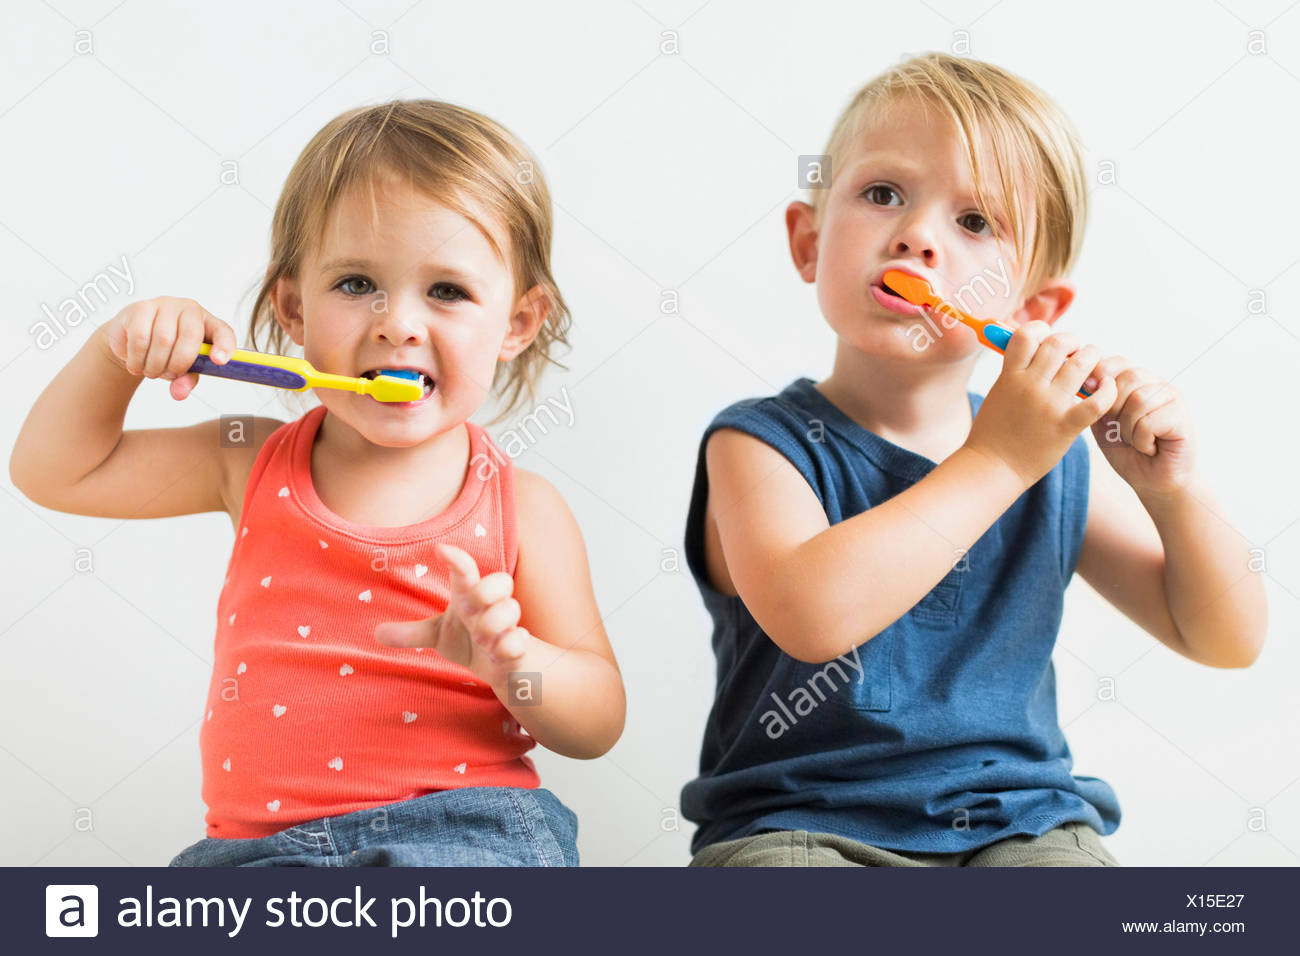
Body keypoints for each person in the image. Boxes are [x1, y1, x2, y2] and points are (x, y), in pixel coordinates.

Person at [680, 53, 1266, 867]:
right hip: (798, 824)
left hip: (1022, 825)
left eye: (976, 223)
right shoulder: (757, 445)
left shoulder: (1049, 460)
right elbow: (815, 619)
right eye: (883, 194)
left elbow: (1225, 638)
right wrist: (998, 461)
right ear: (808, 242)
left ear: (1032, 310)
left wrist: (1174, 492)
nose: (916, 235)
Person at [10, 99, 625, 867]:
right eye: (357, 281)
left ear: (518, 323)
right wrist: (115, 354)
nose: (397, 322)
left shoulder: (522, 508)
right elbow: (54, 471)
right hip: (256, 856)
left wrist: (515, 665)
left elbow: (597, 722)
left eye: (447, 291)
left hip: (464, 834)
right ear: (293, 307)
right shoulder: (247, 461)